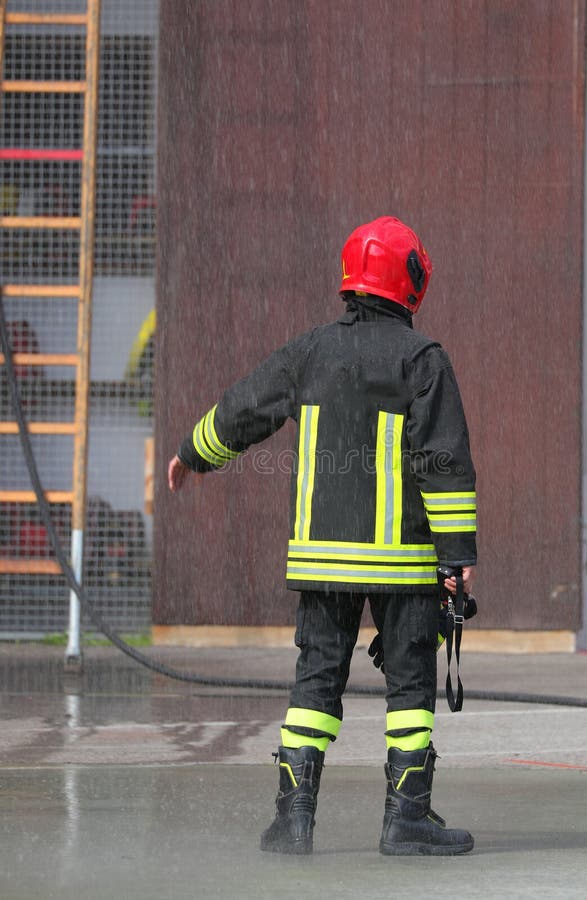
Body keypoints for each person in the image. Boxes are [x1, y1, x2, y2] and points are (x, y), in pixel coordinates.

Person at [168, 216, 477, 856]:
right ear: (411, 281)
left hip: (322, 560)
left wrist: (194, 454)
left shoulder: (309, 352)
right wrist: (456, 559)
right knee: (410, 687)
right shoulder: (421, 360)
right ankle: (406, 821)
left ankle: (293, 820)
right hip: (402, 561)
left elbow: (244, 408)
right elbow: (441, 462)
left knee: (315, 682)